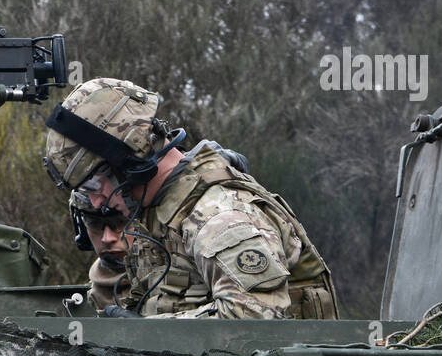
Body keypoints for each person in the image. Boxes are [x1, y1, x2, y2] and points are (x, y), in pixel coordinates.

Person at [43, 77, 338, 319]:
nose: (96, 203)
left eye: (96, 183)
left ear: (132, 160)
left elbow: (255, 317)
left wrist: (144, 336)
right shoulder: (157, 215)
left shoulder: (219, 215)